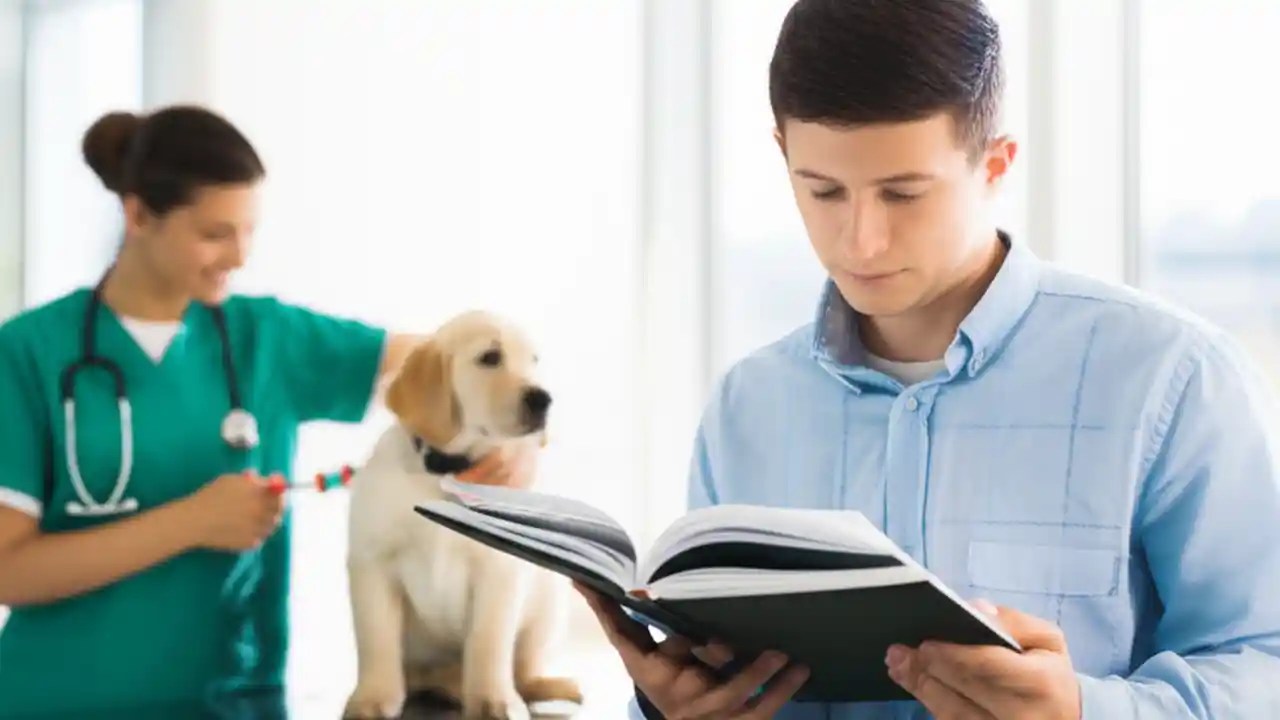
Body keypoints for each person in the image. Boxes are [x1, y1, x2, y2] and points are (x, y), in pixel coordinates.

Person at [577, 1, 1280, 718]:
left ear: (994, 165)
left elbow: (1265, 662)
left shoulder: (1171, 379)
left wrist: (1084, 711)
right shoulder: (746, 408)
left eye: (903, 193)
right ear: (783, 153)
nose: (862, 241)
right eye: (824, 191)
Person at [0, 105, 536, 717]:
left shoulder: (267, 338)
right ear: (139, 214)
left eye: (248, 231)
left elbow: (443, 361)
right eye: (214, 233)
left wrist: (517, 434)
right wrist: (191, 522)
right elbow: (6, 568)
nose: (239, 256)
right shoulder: (27, 352)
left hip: (234, 703)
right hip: (55, 703)